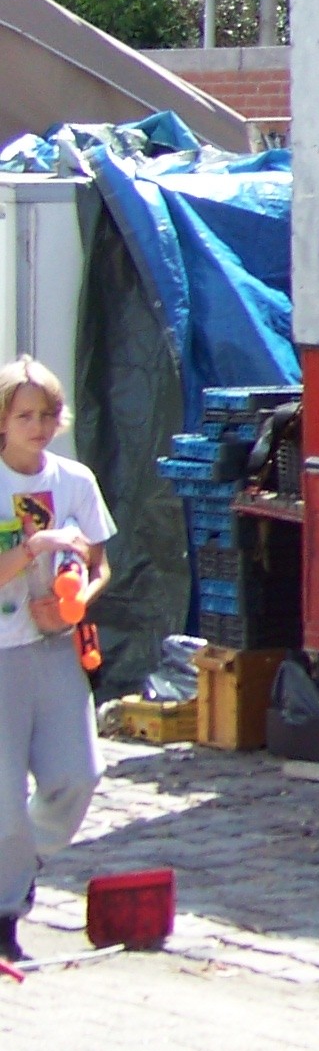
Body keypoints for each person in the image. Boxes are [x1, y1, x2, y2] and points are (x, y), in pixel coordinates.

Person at [0, 356, 110, 963]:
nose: (38, 427)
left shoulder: (75, 480)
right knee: (2, 803)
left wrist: (75, 603)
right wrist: (32, 548)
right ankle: (5, 914)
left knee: (78, 776)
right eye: (24, 416)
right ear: (2, 421)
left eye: (47, 415)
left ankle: (18, 865)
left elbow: (99, 564)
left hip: (56, 651)